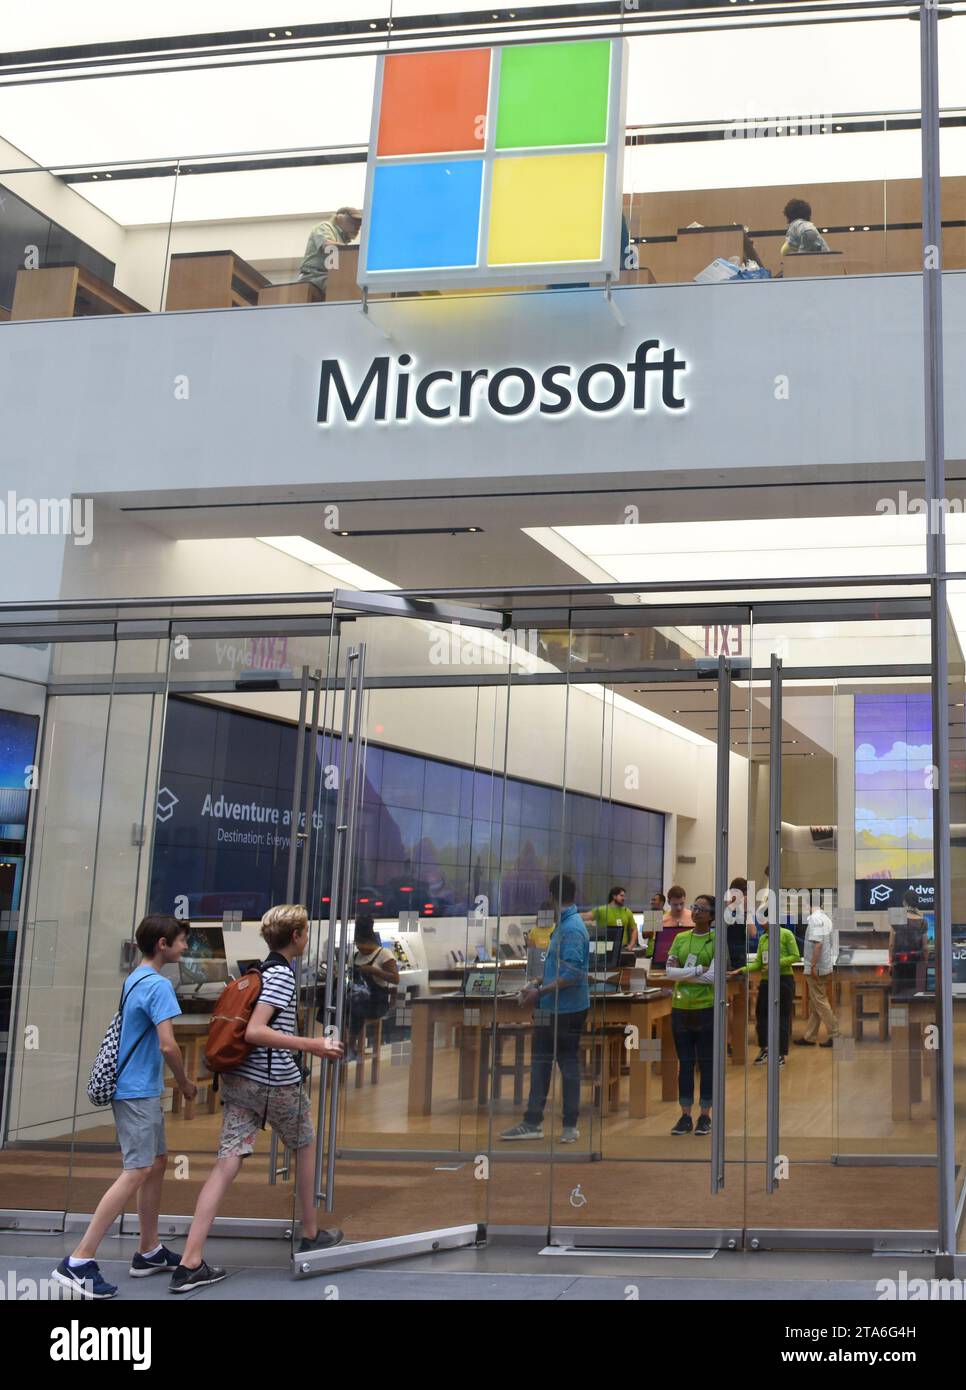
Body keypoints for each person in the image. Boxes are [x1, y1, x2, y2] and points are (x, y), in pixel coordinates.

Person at [171, 904, 344, 1293]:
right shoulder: (281, 976)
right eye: (305, 933)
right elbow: (255, 1031)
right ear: (298, 937)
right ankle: (311, 1233)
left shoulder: (255, 973)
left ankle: (190, 1260)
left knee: (226, 1164)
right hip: (275, 1083)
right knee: (305, 1144)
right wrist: (311, 1044)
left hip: (238, 1083)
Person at [53, 915, 196, 1299]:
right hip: (136, 1090)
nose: (186, 947)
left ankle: (148, 1250)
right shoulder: (160, 986)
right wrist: (184, 1082)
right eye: (182, 941)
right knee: (137, 1169)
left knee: (157, 1162)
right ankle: (80, 1259)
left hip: (136, 1087)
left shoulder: (135, 978)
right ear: (163, 944)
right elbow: (168, 1044)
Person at [500, 873, 589, 1144]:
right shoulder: (563, 926)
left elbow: (572, 973)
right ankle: (534, 1121)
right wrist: (537, 982)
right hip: (552, 1006)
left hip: (564, 1009)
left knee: (564, 1065)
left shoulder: (571, 928)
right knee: (543, 1064)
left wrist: (540, 991)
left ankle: (564, 1124)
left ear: (551, 896)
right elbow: (557, 969)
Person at [667, 895, 717, 1137]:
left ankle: (705, 1114)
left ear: (712, 916)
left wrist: (684, 974)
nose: (696, 912)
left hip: (706, 1008)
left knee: (706, 1063)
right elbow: (670, 972)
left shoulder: (717, 939)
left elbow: (714, 977)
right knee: (685, 1064)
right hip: (681, 1009)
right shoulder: (680, 938)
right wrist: (697, 970)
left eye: (702, 909)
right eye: (694, 907)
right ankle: (685, 1114)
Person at [730, 904, 801, 1066]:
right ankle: (765, 1049)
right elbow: (758, 964)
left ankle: (780, 1053)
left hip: (783, 981)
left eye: (762, 918)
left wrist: (777, 963)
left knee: (781, 1017)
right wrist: (740, 970)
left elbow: (795, 956)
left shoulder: (786, 934)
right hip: (766, 981)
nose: (760, 922)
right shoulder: (763, 938)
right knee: (761, 1015)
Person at [347, 914, 399, 1059]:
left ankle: (350, 1046)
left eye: (364, 944)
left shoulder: (384, 954)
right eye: (358, 944)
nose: (361, 948)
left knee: (354, 1005)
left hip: (377, 1002)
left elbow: (395, 978)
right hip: (358, 996)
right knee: (341, 1005)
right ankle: (339, 1045)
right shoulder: (355, 956)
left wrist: (374, 971)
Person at [794, 905, 839, 1047]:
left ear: (810, 906)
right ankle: (810, 1036)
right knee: (815, 1003)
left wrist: (812, 965)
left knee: (820, 1001)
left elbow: (818, 944)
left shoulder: (815, 919)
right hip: (824, 964)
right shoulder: (826, 918)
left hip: (816, 967)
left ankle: (835, 1033)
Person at [298, 206, 363, 295]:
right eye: (354, 222)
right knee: (344, 289)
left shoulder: (342, 241)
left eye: (359, 224)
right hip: (314, 276)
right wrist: (356, 250)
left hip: (328, 277)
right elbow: (327, 246)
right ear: (339, 218)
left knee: (352, 286)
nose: (358, 227)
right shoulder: (325, 226)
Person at [891, 889, 928, 999]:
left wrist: (890, 963)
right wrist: (925, 963)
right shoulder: (923, 921)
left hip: (899, 964)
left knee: (899, 997)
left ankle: (899, 1014)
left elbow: (891, 945)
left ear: (904, 902)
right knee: (916, 996)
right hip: (916, 964)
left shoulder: (896, 919)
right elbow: (925, 947)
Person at [583, 885, 638, 950]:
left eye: (624, 896)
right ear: (614, 896)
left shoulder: (627, 911)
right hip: (604, 948)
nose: (624, 898)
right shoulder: (602, 910)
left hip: (622, 948)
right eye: (621, 895)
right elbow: (586, 916)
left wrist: (631, 945)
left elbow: (634, 929)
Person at [725, 876, 750, 970]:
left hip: (741, 954)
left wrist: (747, 911)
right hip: (726, 952)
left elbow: (753, 933)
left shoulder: (744, 911)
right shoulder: (724, 908)